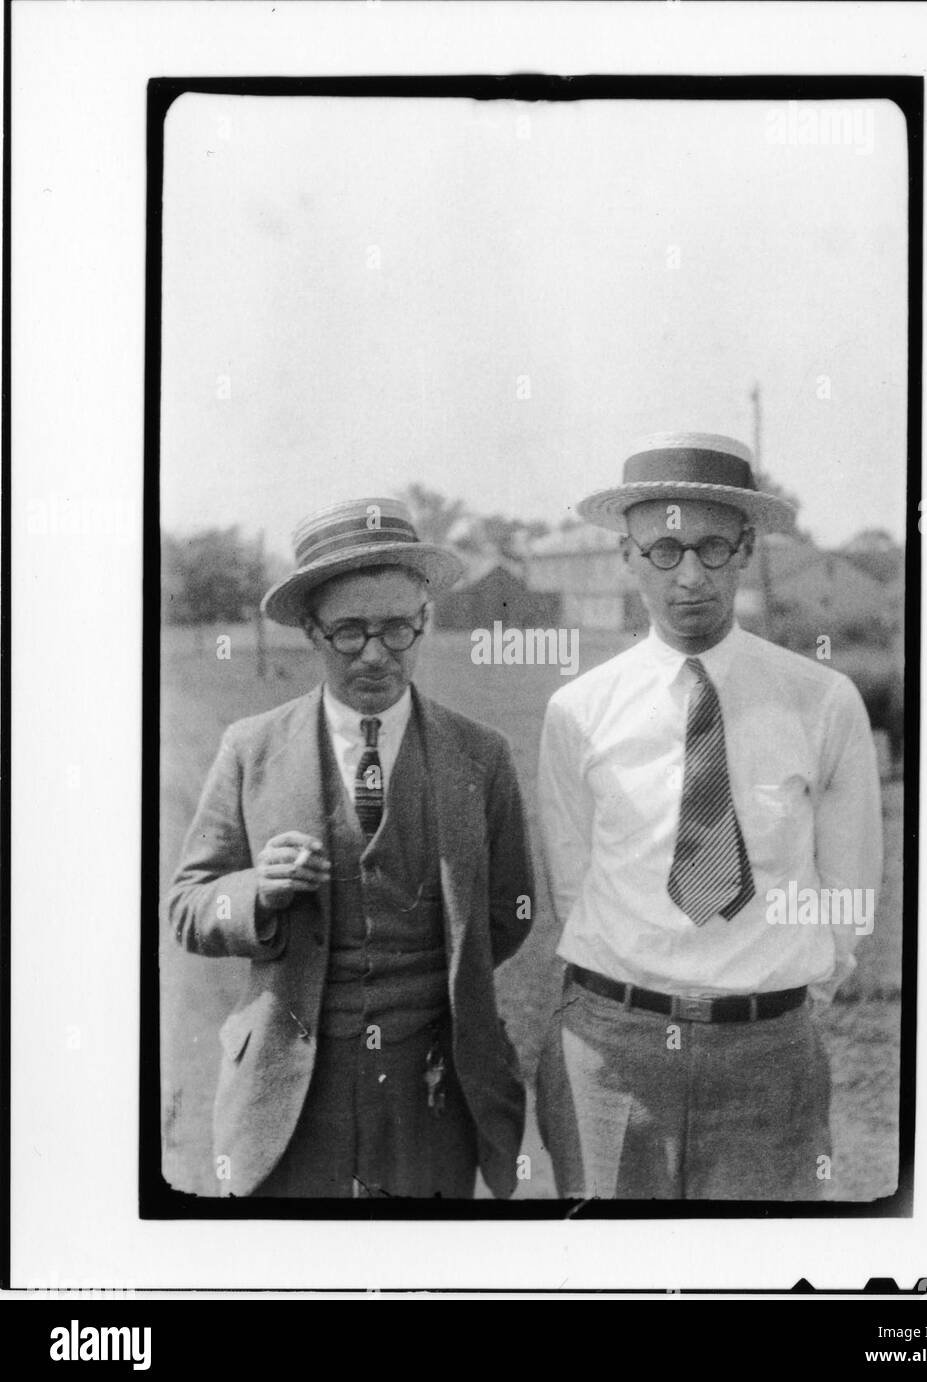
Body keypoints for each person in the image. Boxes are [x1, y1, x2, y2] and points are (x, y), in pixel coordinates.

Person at [535, 433, 883, 1200]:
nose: (689, 575)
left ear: (747, 549)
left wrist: (780, 1006)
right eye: (664, 550)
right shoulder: (578, 712)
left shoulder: (821, 701)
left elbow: (848, 890)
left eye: (713, 547)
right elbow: (573, 885)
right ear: (628, 556)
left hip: (767, 1058)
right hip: (611, 1052)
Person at [167, 497, 533, 1199]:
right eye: (350, 631)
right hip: (288, 1099)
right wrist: (255, 893)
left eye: (399, 628)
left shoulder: (482, 757)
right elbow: (188, 905)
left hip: (431, 1093)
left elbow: (510, 916)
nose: (376, 653)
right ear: (310, 629)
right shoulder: (250, 749)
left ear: (424, 619)